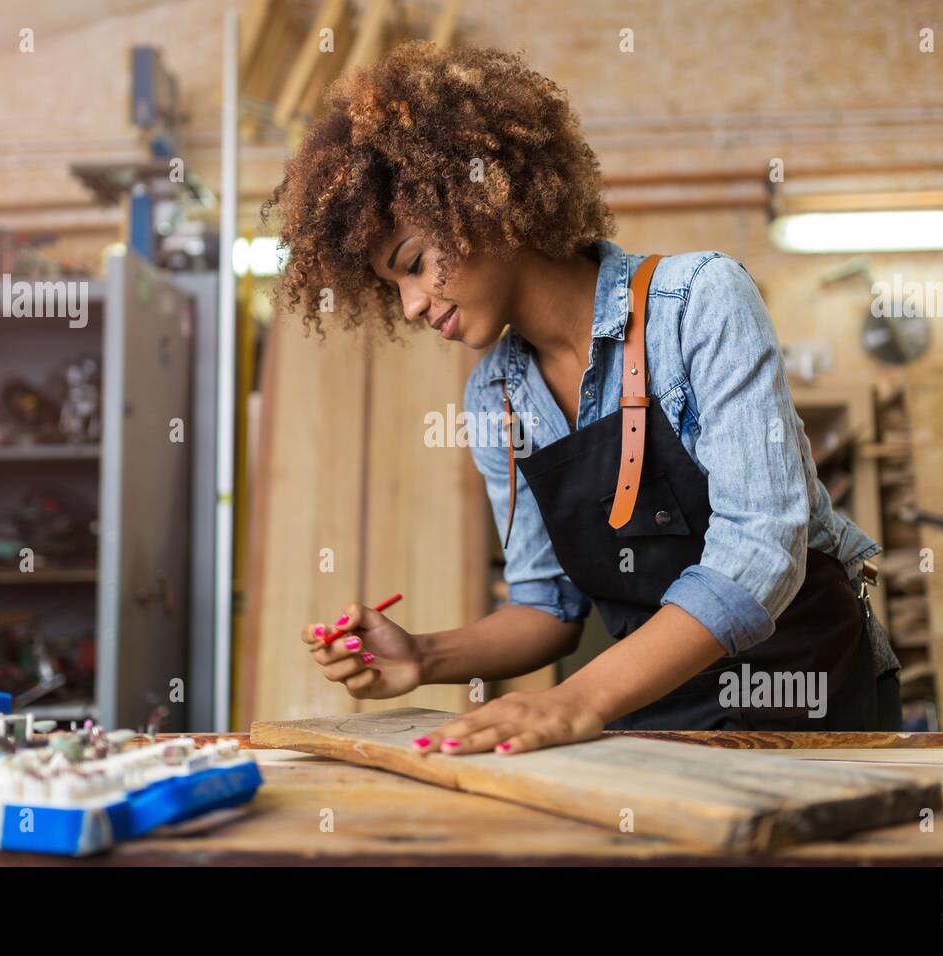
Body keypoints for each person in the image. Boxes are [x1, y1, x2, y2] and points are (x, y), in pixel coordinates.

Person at [268, 41, 900, 756]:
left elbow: (761, 549)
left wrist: (577, 698)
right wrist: (424, 658)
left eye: (414, 264)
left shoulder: (698, 302)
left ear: (480, 201)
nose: (411, 305)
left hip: (811, 703)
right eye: (393, 288)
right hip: (654, 718)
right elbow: (548, 607)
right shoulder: (497, 399)